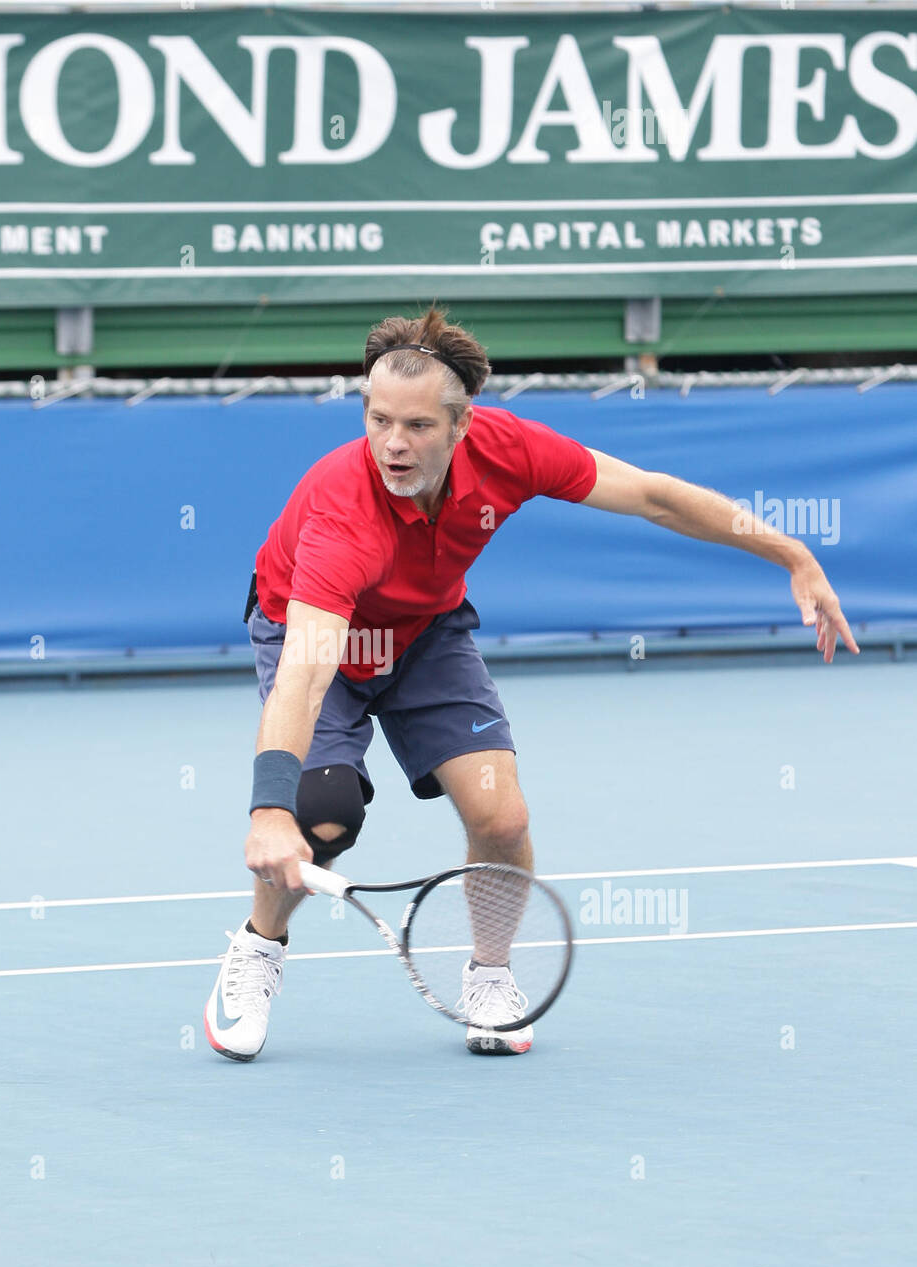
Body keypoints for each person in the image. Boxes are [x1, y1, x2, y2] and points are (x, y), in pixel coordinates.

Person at [204, 305, 859, 1062]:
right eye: (378, 419)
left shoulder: (510, 451)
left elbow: (651, 494)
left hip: (424, 636)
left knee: (502, 816)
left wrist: (791, 553)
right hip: (318, 639)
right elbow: (303, 682)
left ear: (462, 425)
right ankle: (259, 947)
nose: (393, 443)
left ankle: (489, 974)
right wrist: (266, 811)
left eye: (417, 426)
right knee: (320, 814)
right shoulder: (340, 515)